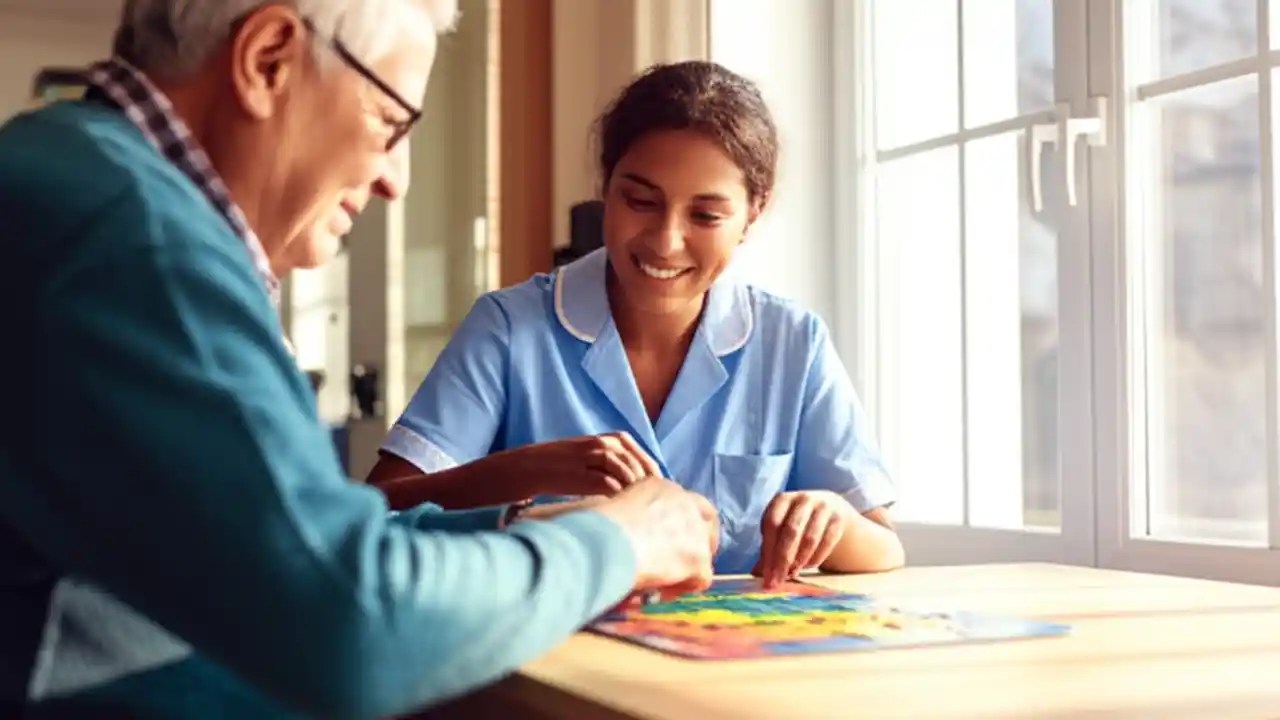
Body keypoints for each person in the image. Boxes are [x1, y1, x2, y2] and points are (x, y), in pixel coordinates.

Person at [0, 2, 718, 718]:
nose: (395, 179)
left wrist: (532, 528)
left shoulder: (74, 174)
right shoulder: (139, 239)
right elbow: (354, 624)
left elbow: (300, 550)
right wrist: (618, 543)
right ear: (268, 60)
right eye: (391, 122)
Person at [367, 60, 905, 587]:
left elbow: (884, 545)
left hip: (734, 666)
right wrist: (530, 469)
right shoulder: (509, 326)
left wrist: (832, 519)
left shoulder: (794, 343)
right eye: (640, 200)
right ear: (606, 186)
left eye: (705, 216)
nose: (666, 241)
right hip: (557, 660)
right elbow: (378, 510)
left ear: (752, 214)